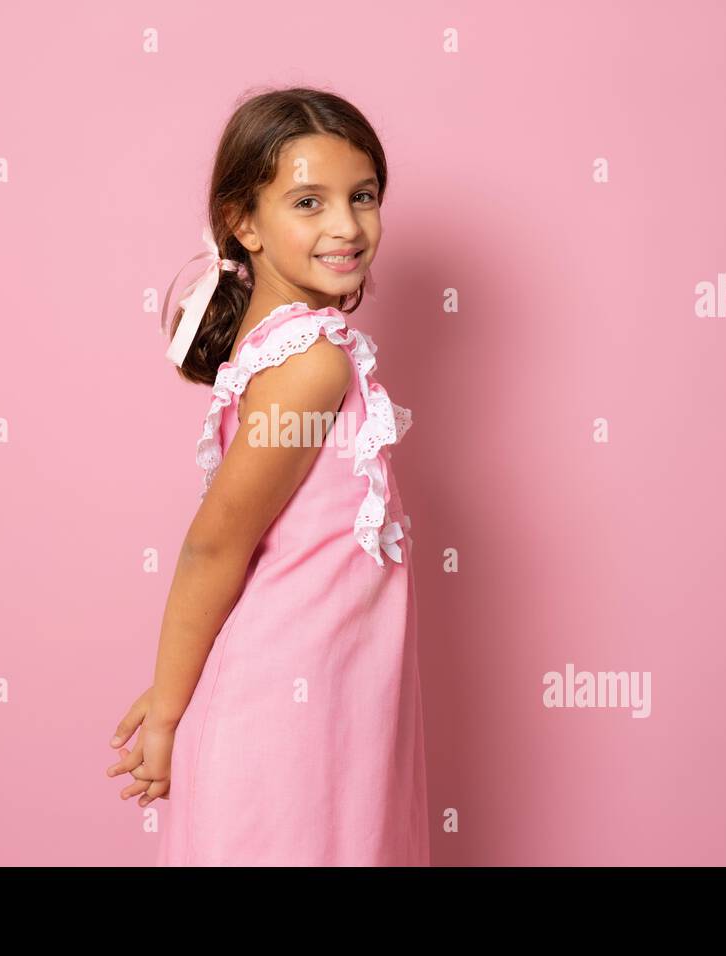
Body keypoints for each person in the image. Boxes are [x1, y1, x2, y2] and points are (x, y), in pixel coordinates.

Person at [106, 87, 429, 866]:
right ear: (244, 223)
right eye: (308, 202)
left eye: (363, 197)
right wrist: (171, 708)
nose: (346, 226)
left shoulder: (296, 346)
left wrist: (181, 690)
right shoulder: (311, 364)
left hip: (328, 702)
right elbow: (215, 548)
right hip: (291, 714)